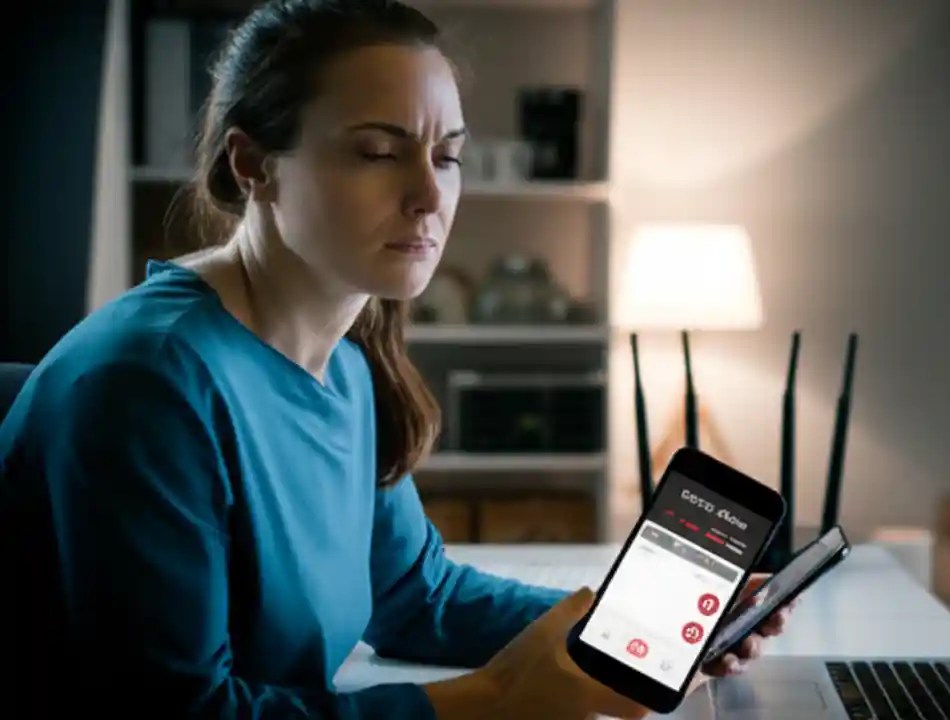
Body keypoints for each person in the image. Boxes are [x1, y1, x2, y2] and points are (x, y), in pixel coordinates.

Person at [0, 1, 791, 717]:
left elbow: (418, 595)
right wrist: (496, 700)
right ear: (254, 165)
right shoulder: (147, 385)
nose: (429, 195)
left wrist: (636, 627)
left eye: (447, 156)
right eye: (380, 152)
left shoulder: (345, 366)